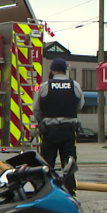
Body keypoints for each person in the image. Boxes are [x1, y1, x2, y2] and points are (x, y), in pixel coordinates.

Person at [33, 58, 84, 190]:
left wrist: (43, 121)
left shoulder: (45, 86)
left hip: (50, 132)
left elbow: (36, 109)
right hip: (68, 131)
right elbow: (80, 105)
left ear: (53, 70)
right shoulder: (75, 85)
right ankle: (70, 192)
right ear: (65, 70)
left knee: (46, 165)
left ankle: (45, 192)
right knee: (69, 165)